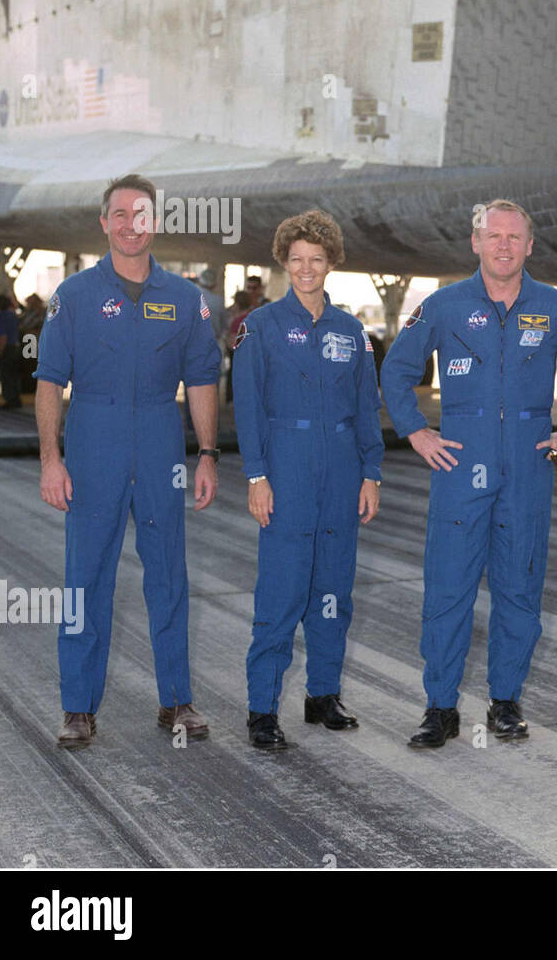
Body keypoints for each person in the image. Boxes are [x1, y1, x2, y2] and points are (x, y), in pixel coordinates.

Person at [381, 200, 557, 749]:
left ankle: (506, 702)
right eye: (493, 235)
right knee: (449, 589)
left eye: (514, 237)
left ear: (530, 245)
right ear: (475, 243)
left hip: (528, 464)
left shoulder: (555, 308)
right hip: (459, 460)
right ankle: (440, 706)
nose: (503, 245)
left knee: (519, 588)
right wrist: (415, 430)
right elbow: (395, 370)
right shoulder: (442, 305)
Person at [34, 174, 222, 749]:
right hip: (94, 440)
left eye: (141, 215)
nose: (130, 225)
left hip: (162, 442)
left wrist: (208, 453)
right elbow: (48, 382)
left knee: (168, 574)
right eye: (119, 214)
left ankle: (176, 701)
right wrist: (51, 458)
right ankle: (78, 707)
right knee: (86, 577)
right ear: (104, 222)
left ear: (156, 222)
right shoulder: (74, 296)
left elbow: (203, 381)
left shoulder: (187, 299)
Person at [233, 210, 383, 750]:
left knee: (333, 593)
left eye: (316, 259)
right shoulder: (261, 327)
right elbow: (247, 410)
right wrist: (257, 476)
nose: (305, 268)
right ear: (284, 262)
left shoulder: (351, 331)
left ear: (331, 263)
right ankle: (261, 710)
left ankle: (322, 696)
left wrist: (371, 474)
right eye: (296, 259)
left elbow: (367, 408)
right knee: (281, 591)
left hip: (342, 470)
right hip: (287, 468)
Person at [0, 293, 21, 408]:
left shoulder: (2, 316)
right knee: (14, 375)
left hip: (7, 349)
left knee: (6, 375)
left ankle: (10, 399)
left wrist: (0, 350)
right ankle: (16, 398)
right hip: (15, 347)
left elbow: (2, 336)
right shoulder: (13, 315)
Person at [224, 289, 252, 403]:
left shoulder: (238, 320)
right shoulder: (251, 316)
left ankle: (231, 400)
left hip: (236, 354)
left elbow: (232, 342)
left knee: (233, 377)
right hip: (246, 356)